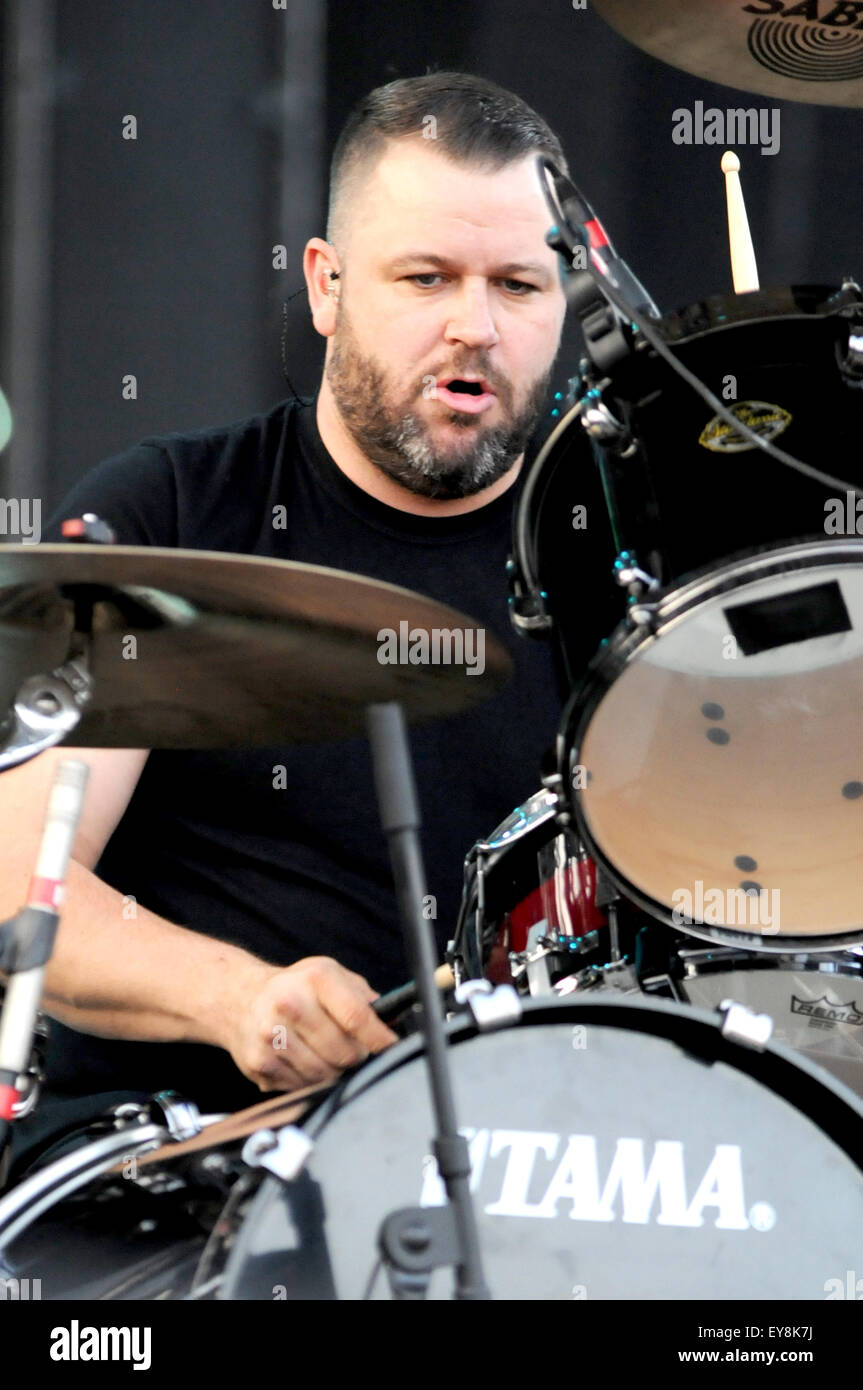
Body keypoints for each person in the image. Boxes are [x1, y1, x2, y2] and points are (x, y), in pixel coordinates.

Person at [1, 72, 611, 1157]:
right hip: (181, 1163)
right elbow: (15, 887)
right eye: (425, 276)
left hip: (526, 1164)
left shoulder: (617, 554)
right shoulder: (168, 514)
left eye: (516, 285)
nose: (471, 326)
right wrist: (238, 999)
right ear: (325, 287)